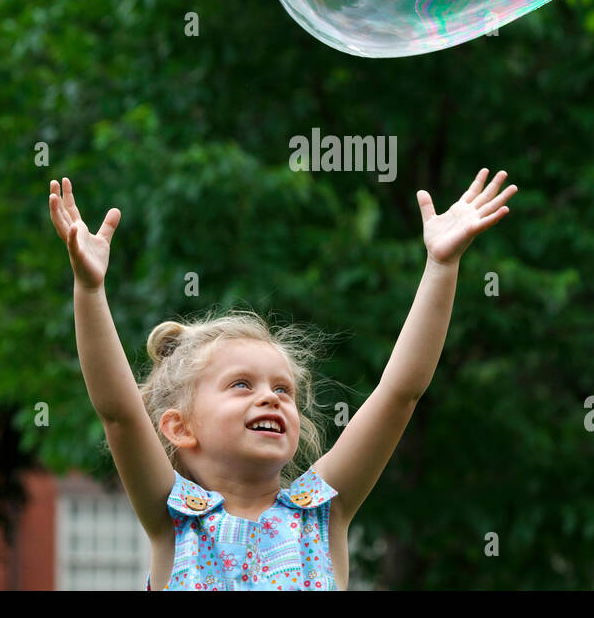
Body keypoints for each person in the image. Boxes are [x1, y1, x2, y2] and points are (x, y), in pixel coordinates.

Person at [47, 168, 516, 589]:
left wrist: (441, 266)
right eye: (241, 385)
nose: (270, 398)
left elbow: (400, 393)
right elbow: (120, 414)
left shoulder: (322, 513)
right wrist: (89, 290)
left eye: (283, 390)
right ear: (179, 426)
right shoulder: (172, 518)